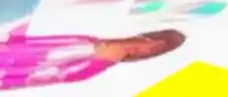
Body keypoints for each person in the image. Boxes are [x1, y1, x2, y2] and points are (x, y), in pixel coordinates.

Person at [0, 27, 184, 90]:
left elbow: (56, 75)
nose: (137, 50)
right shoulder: (88, 40)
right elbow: (36, 40)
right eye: (146, 44)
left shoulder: (92, 64)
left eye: (148, 51)